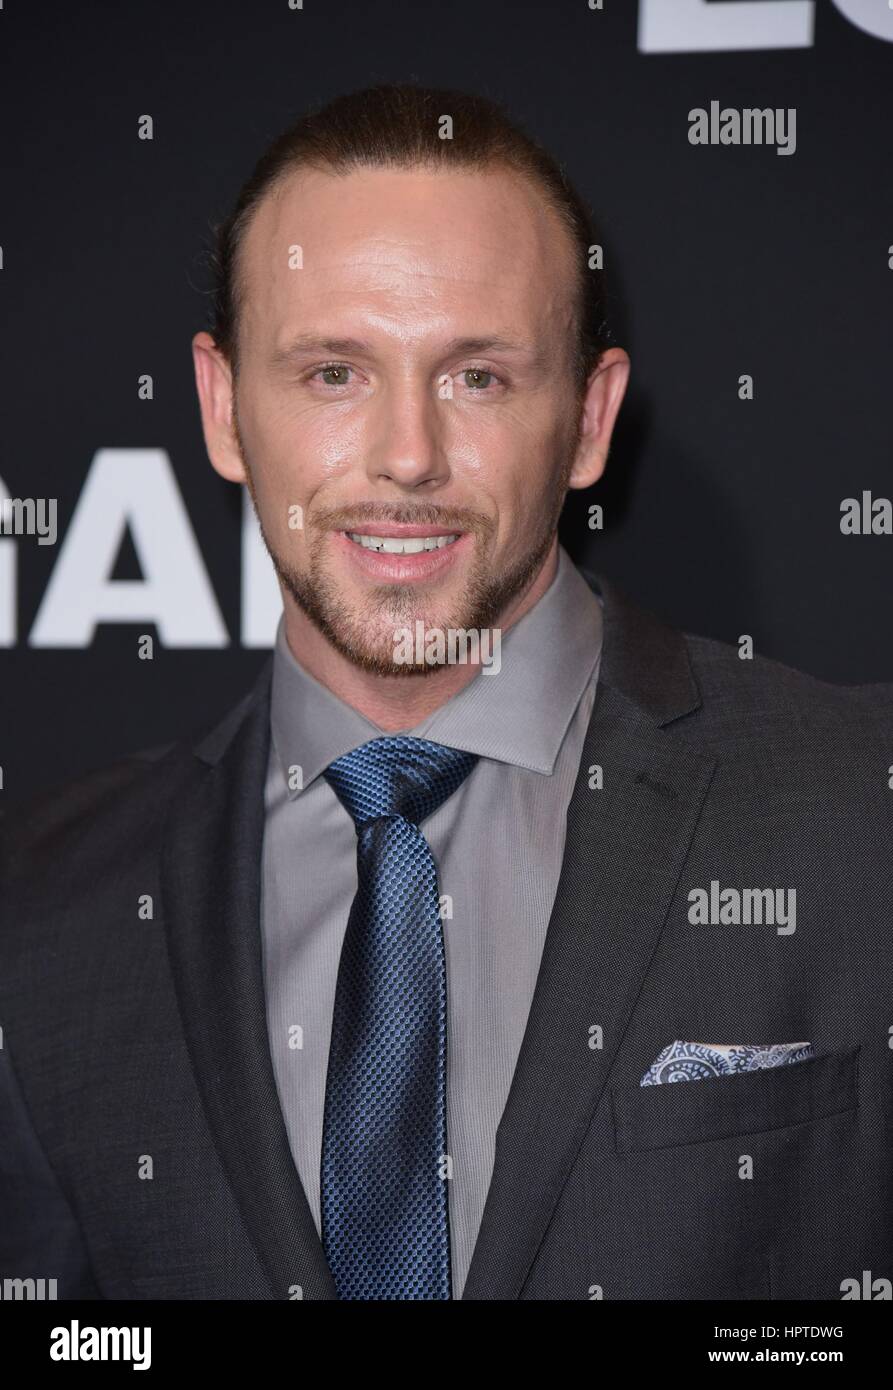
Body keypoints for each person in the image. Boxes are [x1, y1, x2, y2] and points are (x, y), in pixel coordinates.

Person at [1, 84, 890, 1302]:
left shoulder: (859, 813)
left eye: (475, 377)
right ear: (220, 408)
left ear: (586, 420)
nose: (407, 454)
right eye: (331, 374)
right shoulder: (44, 914)